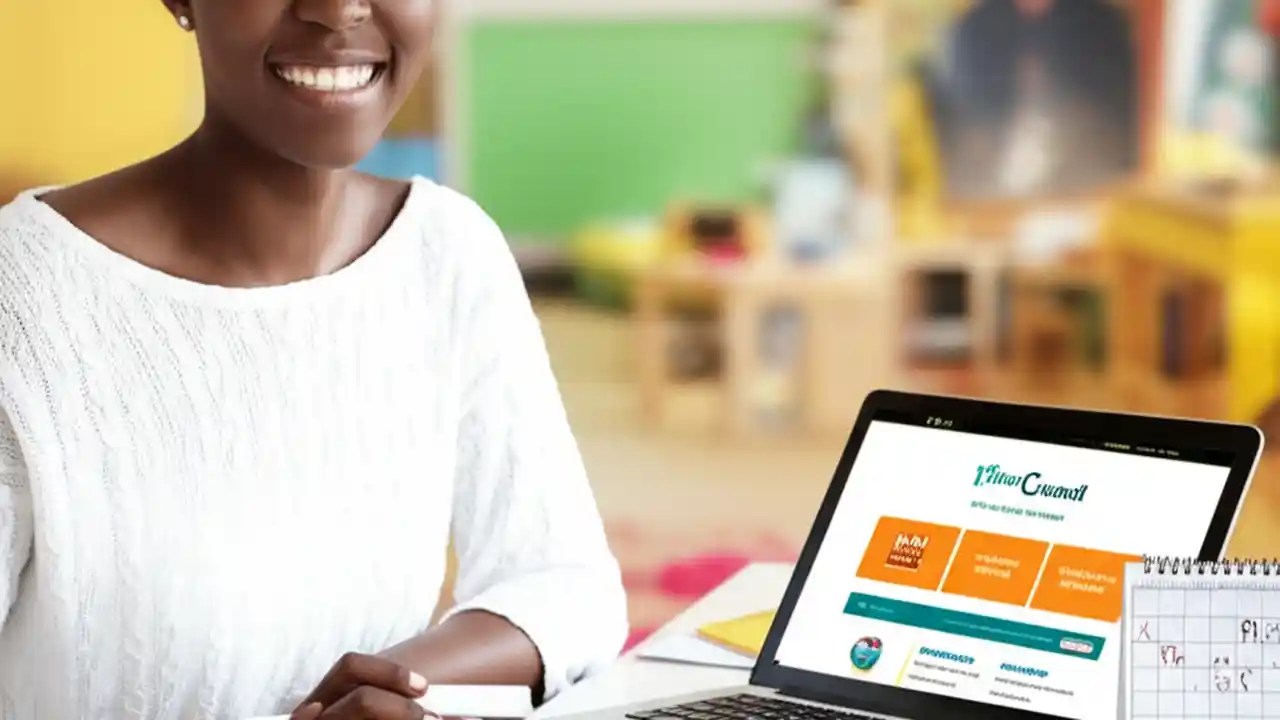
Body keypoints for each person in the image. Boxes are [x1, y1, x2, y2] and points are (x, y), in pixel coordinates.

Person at [0, 1, 627, 718]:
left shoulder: (448, 254)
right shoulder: (22, 304)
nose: (337, 11)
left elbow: (567, 585)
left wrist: (383, 684)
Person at [931, 0, 1138, 198]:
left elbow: (1122, 135)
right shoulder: (972, 31)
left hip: (1088, 201)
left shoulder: (1103, 28)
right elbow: (960, 141)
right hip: (990, 209)